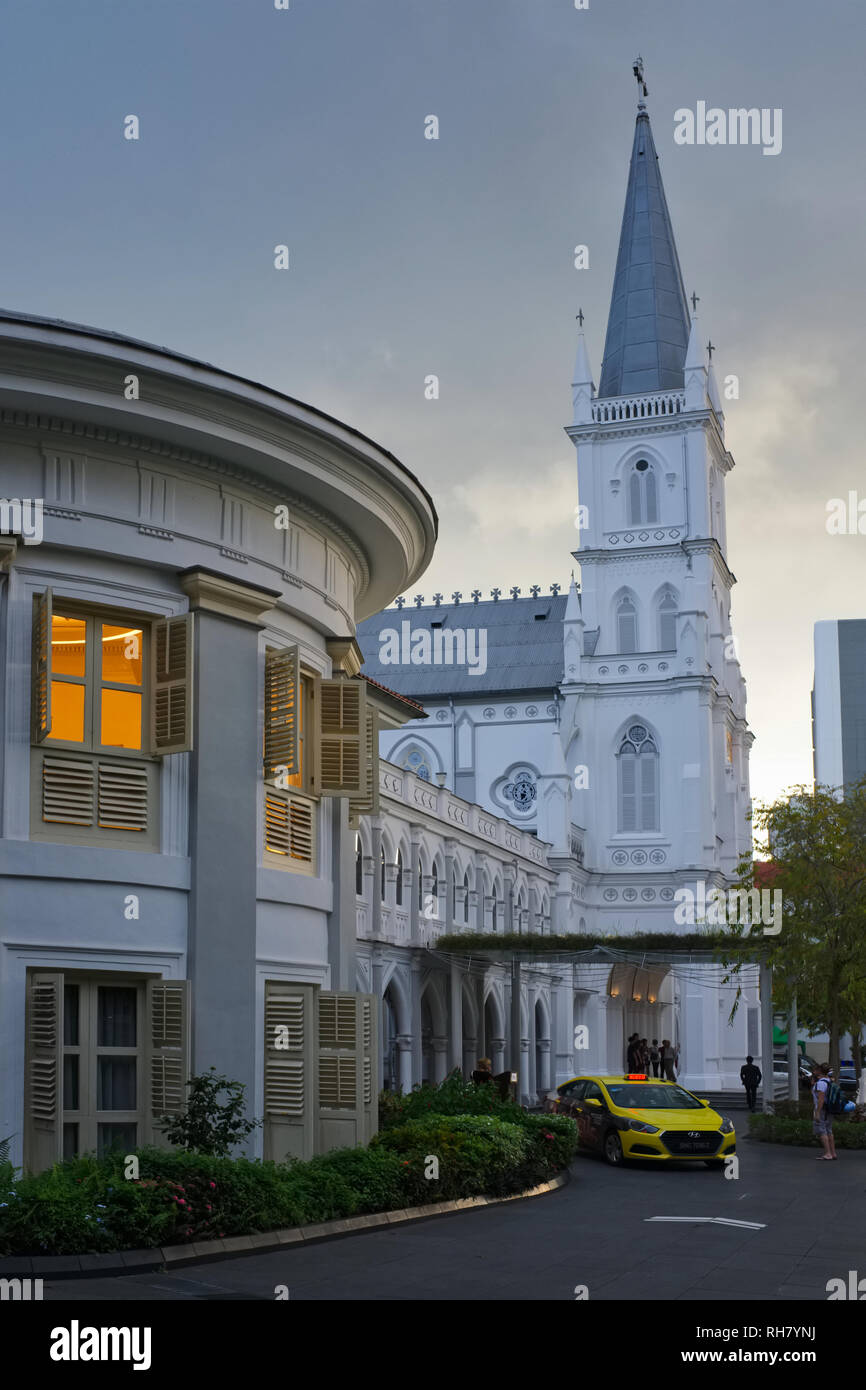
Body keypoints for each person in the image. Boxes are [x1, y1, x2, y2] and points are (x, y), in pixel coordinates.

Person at [812, 1063, 837, 1161]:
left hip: (822, 1110)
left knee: (822, 1131)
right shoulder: (829, 1081)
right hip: (830, 1109)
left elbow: (821, 1099)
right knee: (829, 1130)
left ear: (820, 1071)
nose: (814, 1071)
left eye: (816, 1070)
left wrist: (817, 1112)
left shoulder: (821, 1083)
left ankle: (827, 1153)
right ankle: (833, 1153)